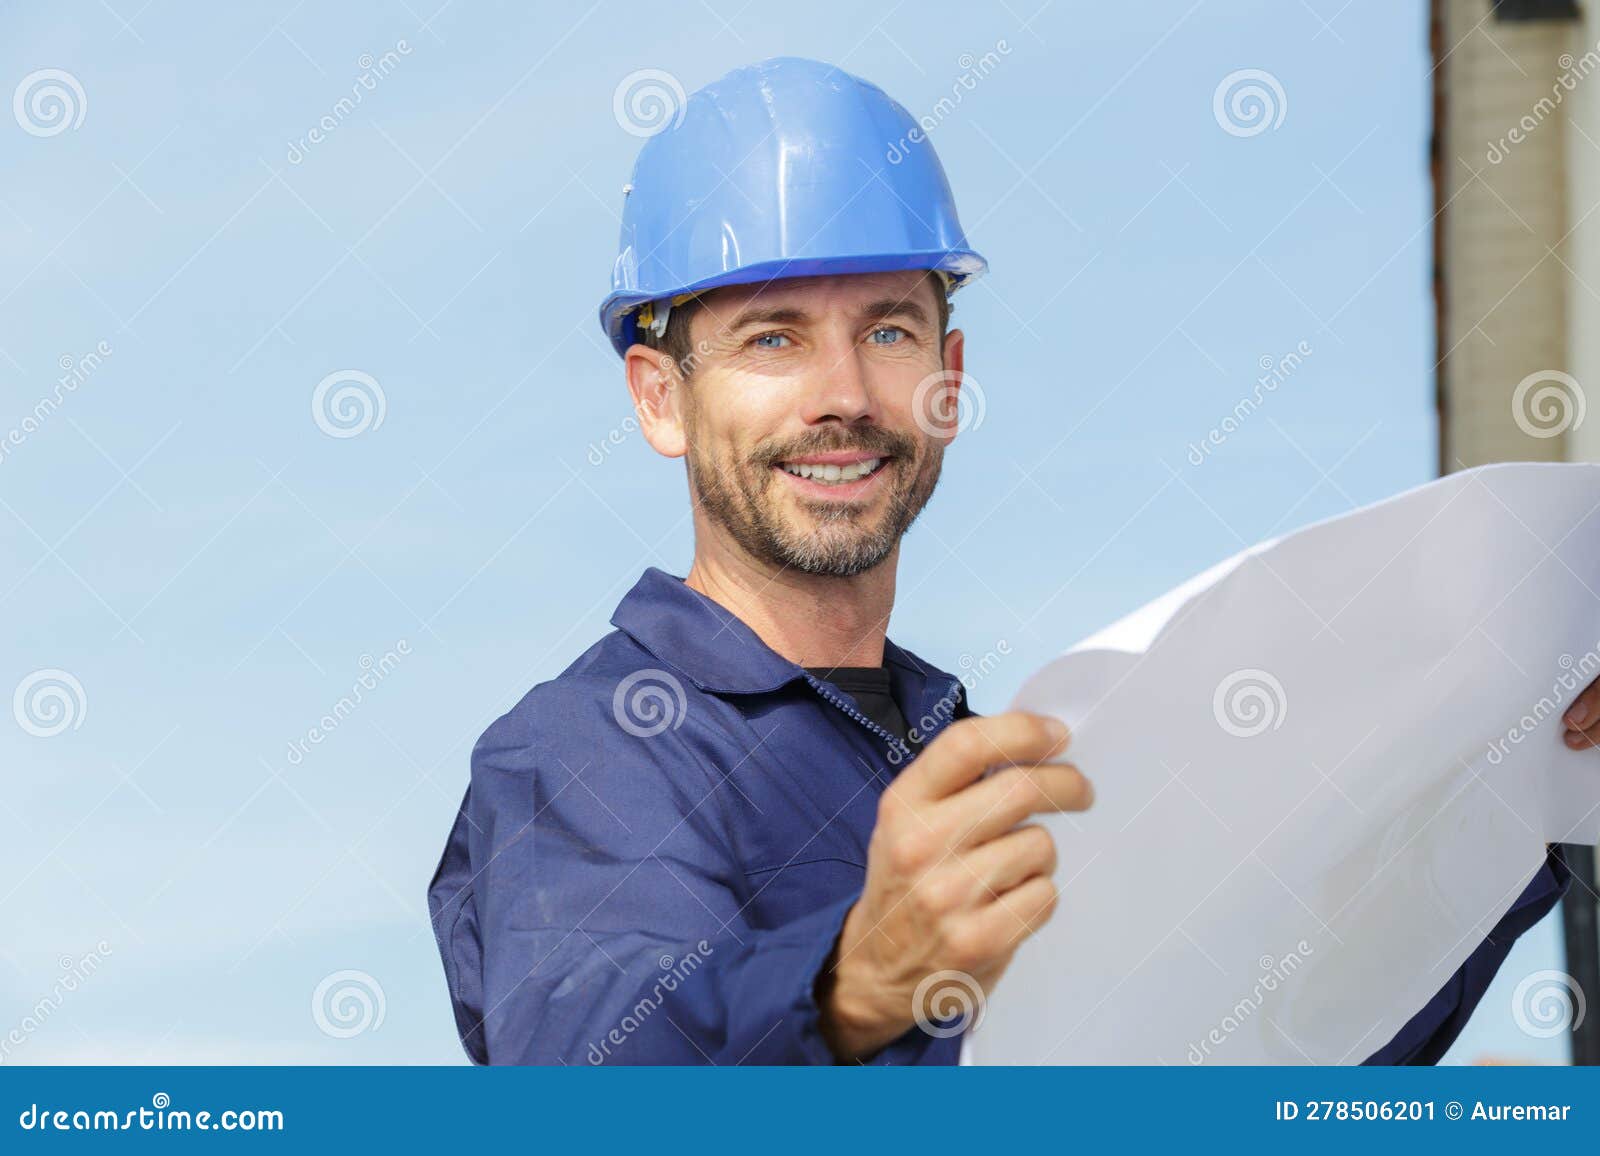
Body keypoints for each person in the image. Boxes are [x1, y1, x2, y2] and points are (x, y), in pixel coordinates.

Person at [427, 56, 1579, 1065]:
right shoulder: (589, 751)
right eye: (772, 336)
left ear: (949, 371)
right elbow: (584, 1068)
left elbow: (1261, 1047)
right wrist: (848, 984)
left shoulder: (983, 757)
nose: (843, 395)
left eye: (887, 329)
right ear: (659, 397)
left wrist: (1517, 787)